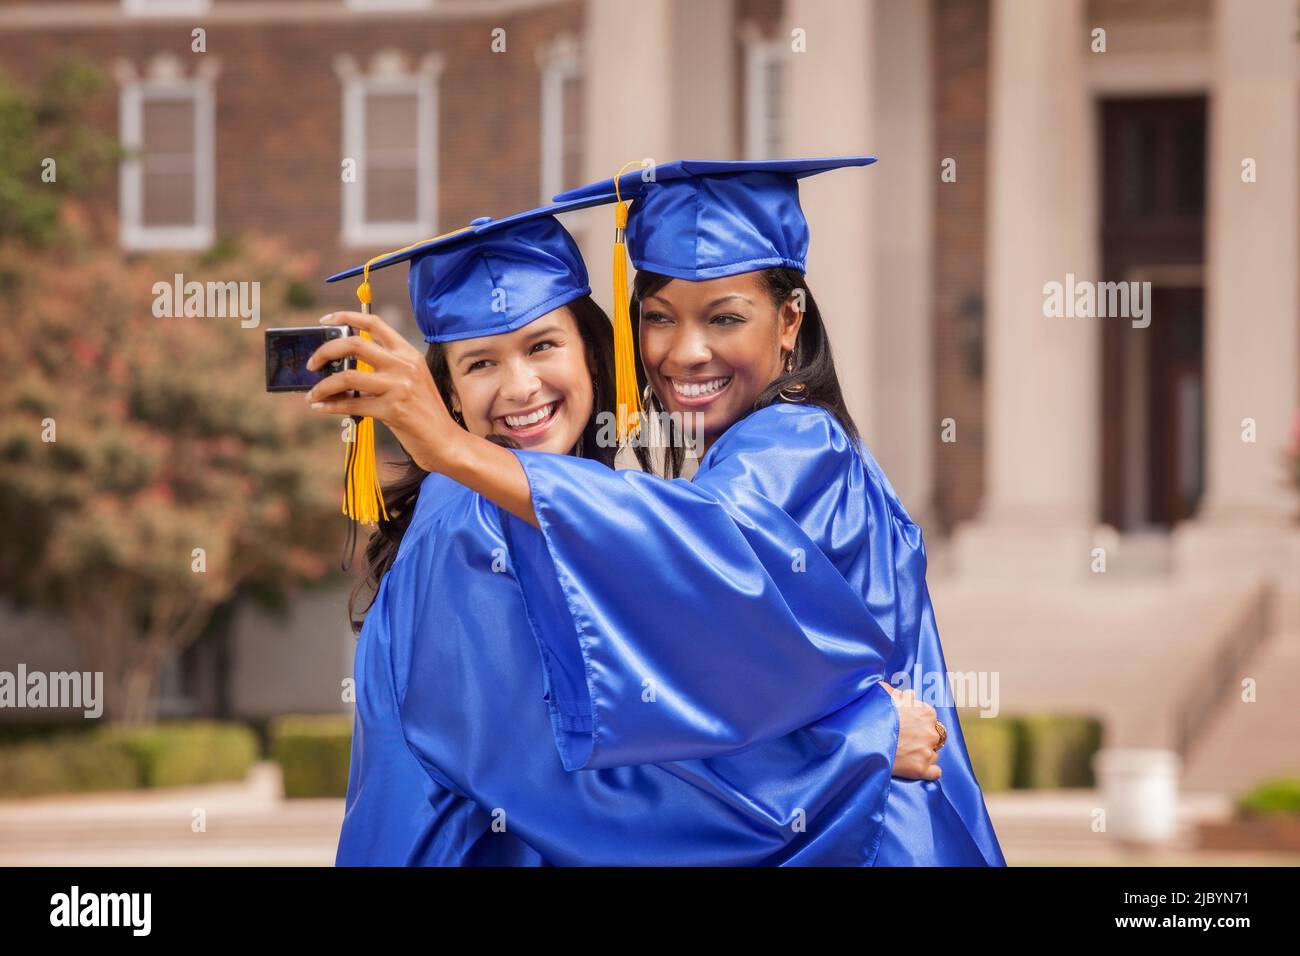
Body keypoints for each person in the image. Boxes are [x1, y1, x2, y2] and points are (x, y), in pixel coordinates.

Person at [310, 158, 1006, 866]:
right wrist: (858, 746)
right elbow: (582, 786)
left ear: (590, 353)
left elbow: (700, 555)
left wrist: (463, 454)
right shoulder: (469, 516)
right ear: (447, 395)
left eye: (543, 345)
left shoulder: (795, 445)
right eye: (480, 363)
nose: (521, 387)